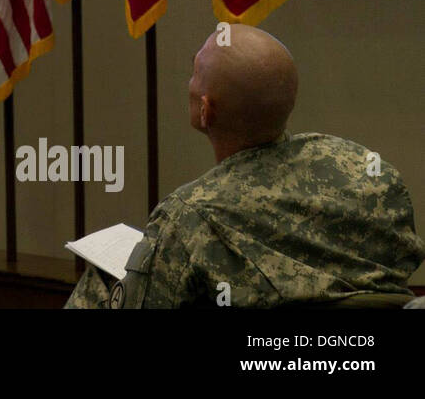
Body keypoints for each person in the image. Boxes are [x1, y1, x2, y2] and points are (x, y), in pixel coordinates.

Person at [67, 24, 425, 308]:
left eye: (194, 72)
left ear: (205, 111)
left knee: (103, 282)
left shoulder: (191, 217)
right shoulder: (373, 176)